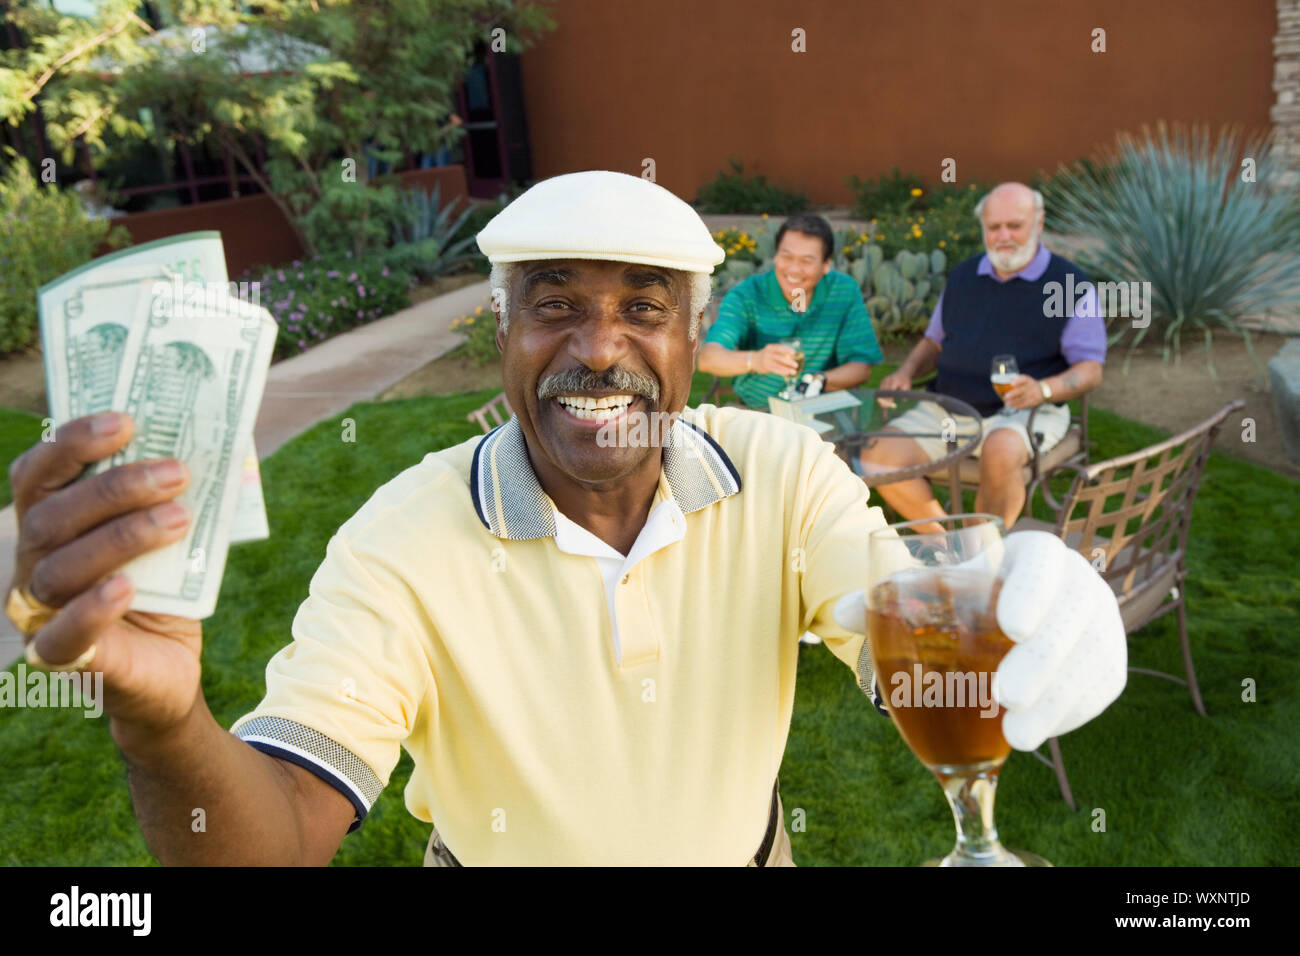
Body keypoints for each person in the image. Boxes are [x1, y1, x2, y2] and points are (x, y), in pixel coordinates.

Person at [5, 170, 1126, 866]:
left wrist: (1038, 616)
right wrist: (164, 722)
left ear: (694, 343)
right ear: (502, 337)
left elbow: (916, 656)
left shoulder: (783, 473)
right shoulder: (401, 535)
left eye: (643, 309)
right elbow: (282, 829)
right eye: (554, 306)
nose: (598, 346)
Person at [862, 182, 1105, 531]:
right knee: (876, 455)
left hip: (1025, 410)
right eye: (994, 227)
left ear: (1038, 224)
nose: (1004, 236)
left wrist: (1044, 389)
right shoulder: (964, 276)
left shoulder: (1068, 284)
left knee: (1001, 450)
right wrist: (906, 370)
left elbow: (1090, 370)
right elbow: (935, 343)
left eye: (1015, 225)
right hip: (947, 406)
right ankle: (948, 547)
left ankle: (982, 546)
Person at [697, 214, 883, 409]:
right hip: (758, 411)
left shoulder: (844, 291)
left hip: (820, 408)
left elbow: (861, 367)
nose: (794, 269)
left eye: (807, 260)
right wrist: (756, 360)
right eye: (786, 256)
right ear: (776, 255)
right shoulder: (747, 295)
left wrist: (817, 380)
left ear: (826, 265)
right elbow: (708, 358)